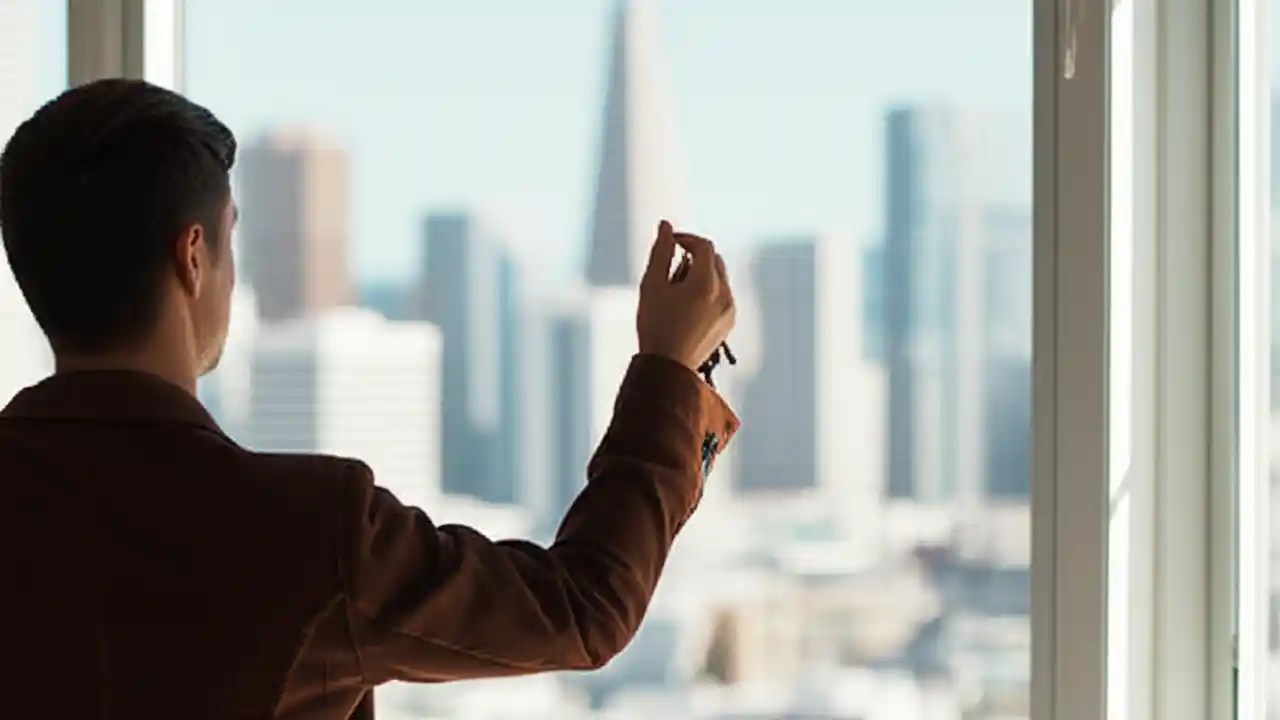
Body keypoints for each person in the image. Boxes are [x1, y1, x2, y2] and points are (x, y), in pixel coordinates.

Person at [0, 79, 739, 720]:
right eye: (231, 241)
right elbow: (583, 608)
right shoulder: (307, 530)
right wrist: (669, 372)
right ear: (193, 258)